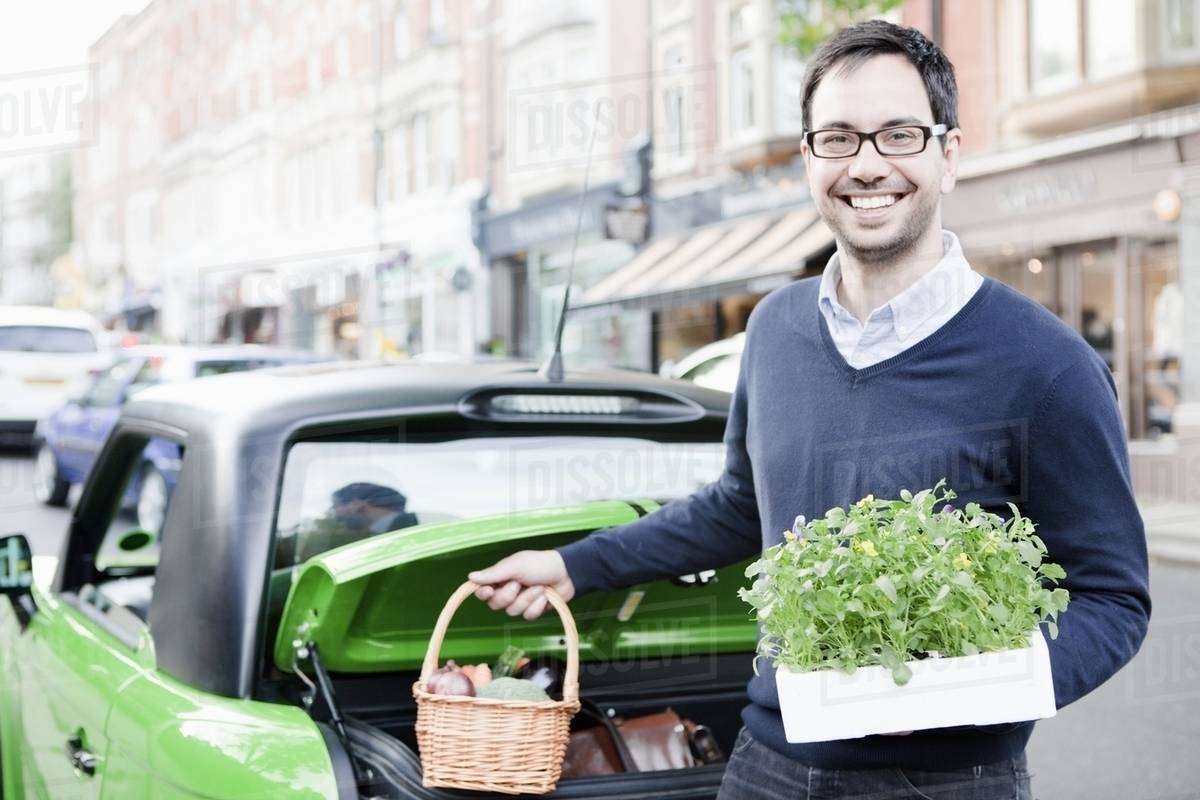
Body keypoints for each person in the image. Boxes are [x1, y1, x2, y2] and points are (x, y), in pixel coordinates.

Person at [468, 20, 1150, 800]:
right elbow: (739, 505)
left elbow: (1112, 599)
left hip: (946, 781)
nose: (866, 165)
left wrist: (967, 688)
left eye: (898, 135)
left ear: (949, 154)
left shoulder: (1046, 366)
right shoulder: (775, 327)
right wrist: (570, 565)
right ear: (808, 159)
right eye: (838, 138)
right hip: (767, 762)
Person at [330, 482, 419, 534]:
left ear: (357, 503)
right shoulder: (384, 532)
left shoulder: (410, 528)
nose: (335, 511)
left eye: (337, 505)